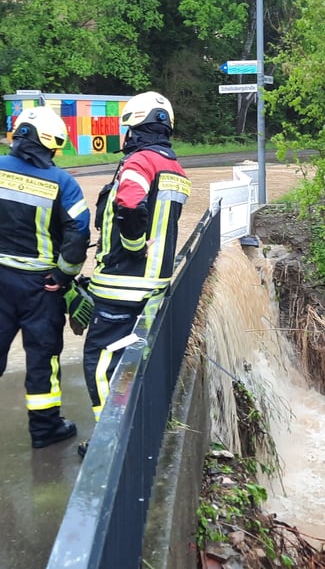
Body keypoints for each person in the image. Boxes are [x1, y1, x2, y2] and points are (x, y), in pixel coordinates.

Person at [0, 105, 91, 449]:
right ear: (50, 144)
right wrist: (64, 276)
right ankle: (44, 429)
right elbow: (79, 232)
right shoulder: (62, 183)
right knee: (43, 357)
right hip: (41, 287)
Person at [79, 91, 191, 457]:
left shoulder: (139, 163)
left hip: (120, 287)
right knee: (132, 359)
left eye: (126, 127)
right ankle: (133, 429)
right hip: (152, 287)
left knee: (101, 365)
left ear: (135, 126)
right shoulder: (175, 169)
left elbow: (129, 204)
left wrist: (129, 247)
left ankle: (109, 445)